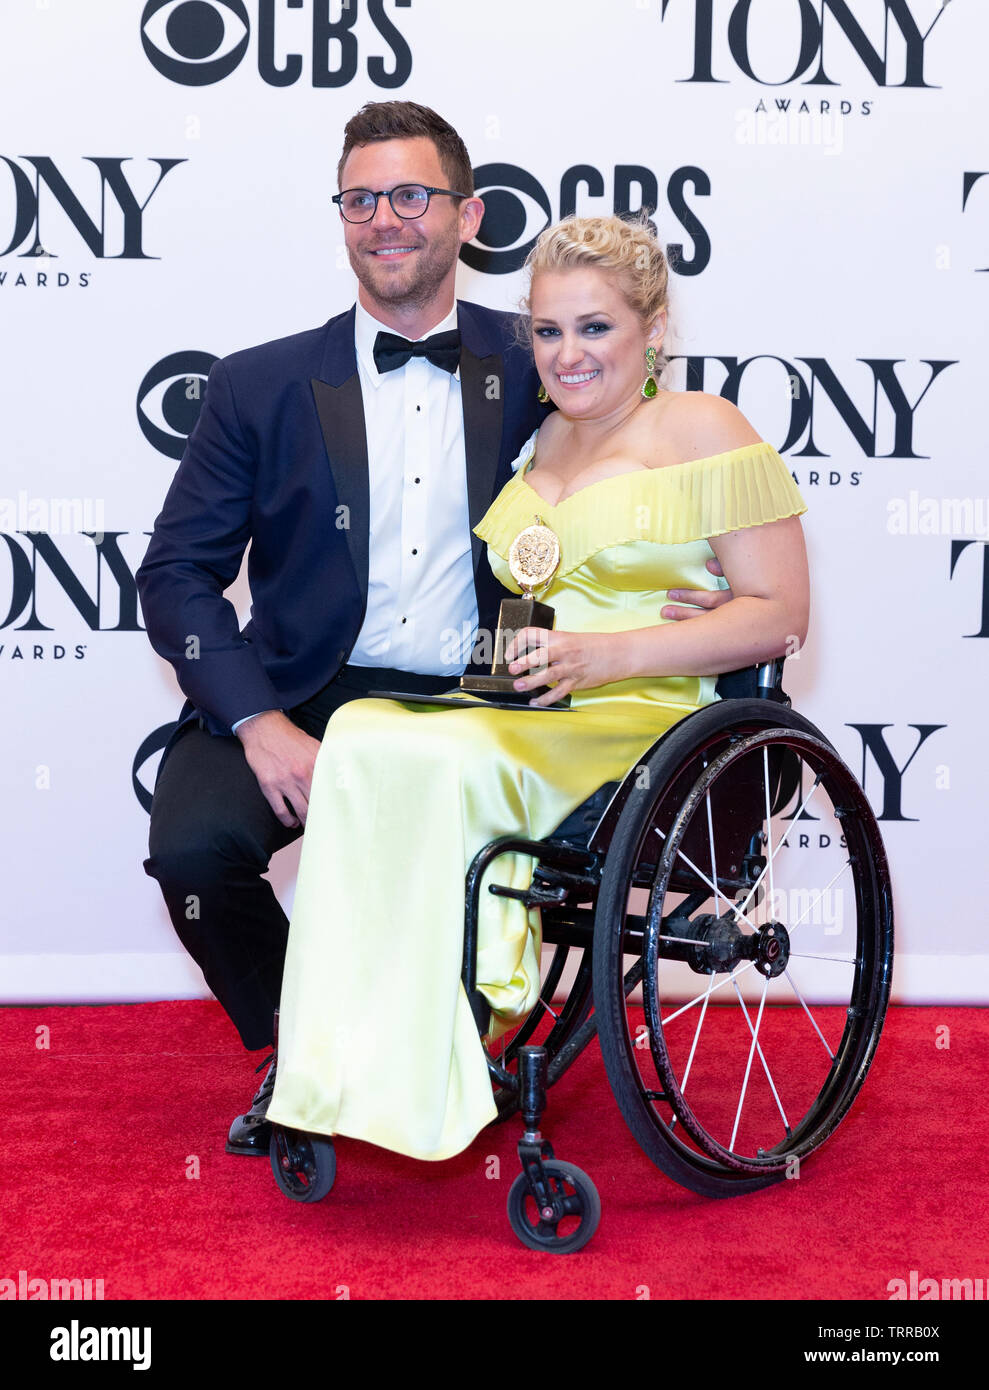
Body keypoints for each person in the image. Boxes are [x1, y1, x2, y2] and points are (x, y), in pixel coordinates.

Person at [137, 102, 730, 1157]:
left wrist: (696, 594)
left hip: (485, 691)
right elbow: (177, 577)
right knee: (191, 851)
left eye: (412, 194)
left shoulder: (546, 357)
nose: (385, 219)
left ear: (468, 215)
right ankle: (306, 1054)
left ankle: (446, 1047)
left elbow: (647, 466)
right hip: (304, 684)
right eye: (360, 198)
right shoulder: (257, 384)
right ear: (341, 217)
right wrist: (260, 723)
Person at [264, 213, 810, 1163]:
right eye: (548, 331)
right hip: (534, 702)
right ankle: (348, 1061)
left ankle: (454, 1036)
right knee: (359, 730)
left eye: (594, 328)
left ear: (653, 326)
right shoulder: (541, 440)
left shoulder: (703, 427)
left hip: (651, 718)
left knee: (447, 755)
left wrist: (615, 654)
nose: (567, 354)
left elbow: (778, 614)